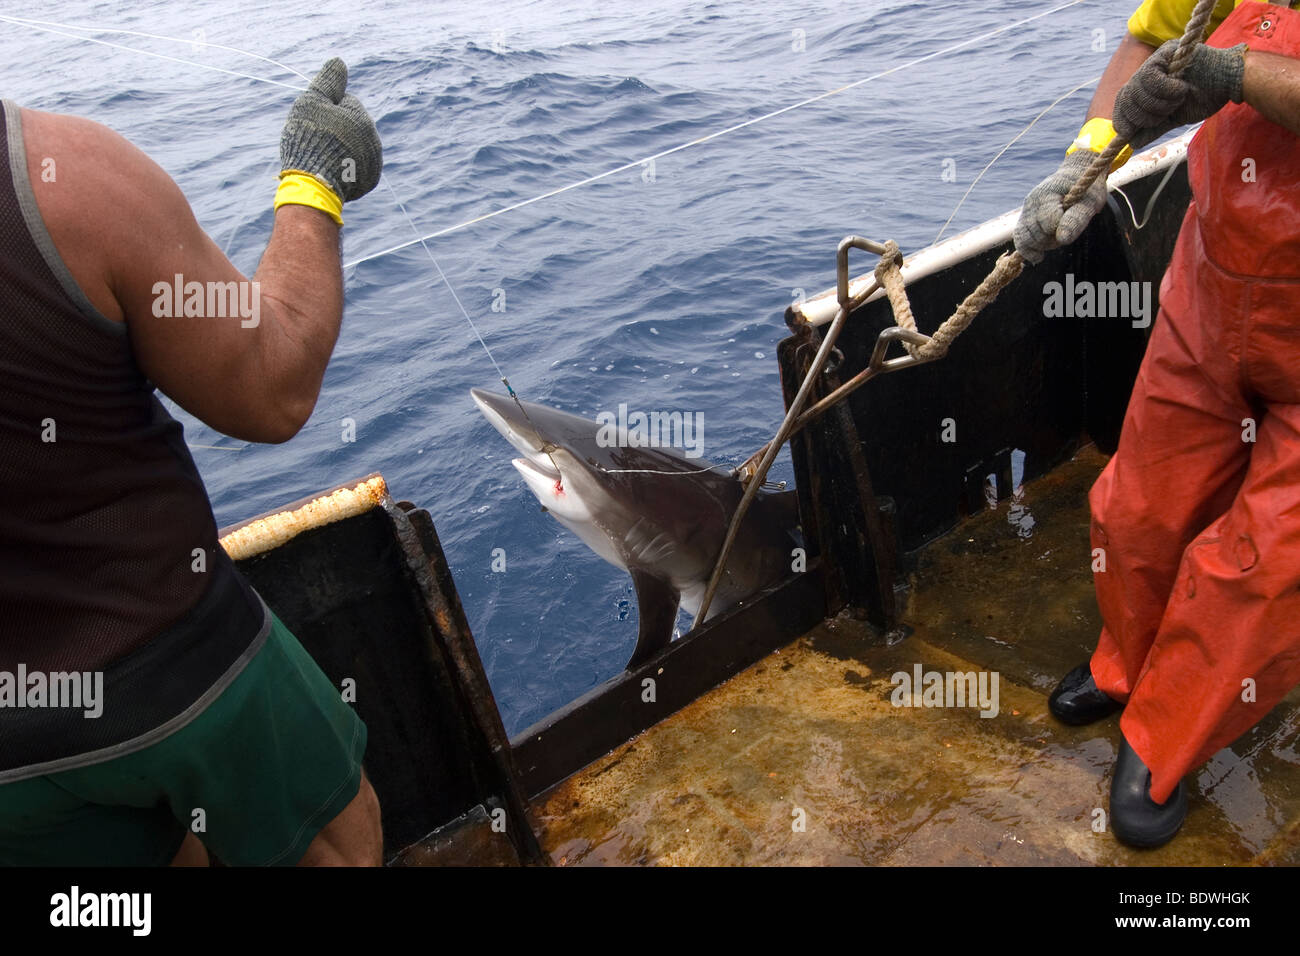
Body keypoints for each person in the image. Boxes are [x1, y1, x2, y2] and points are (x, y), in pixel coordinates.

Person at [0, 58, 385, 865]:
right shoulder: (71, 182)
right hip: (170, 668)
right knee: (339, 851)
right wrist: (314, 182)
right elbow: (271, 389)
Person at [1014, 0, 1300, 848]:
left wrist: (1231, 73)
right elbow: (1149, 40)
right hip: (1214, 287)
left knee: (1266, 558)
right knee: (1139, 502)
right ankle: (1126, 666)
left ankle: (1165, 737)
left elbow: (1204, 67)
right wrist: (1086, 160)